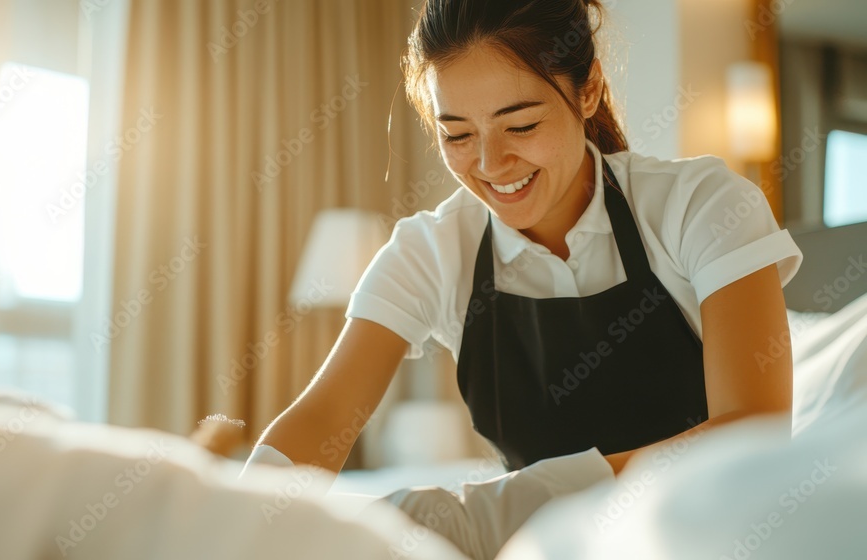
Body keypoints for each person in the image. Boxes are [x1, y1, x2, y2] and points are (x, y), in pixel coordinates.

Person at [244, 0, 802, 556]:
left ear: (587, 91)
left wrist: (508, 505)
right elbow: (322, 417)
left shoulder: (699, 206)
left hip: (712, 535)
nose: (491, 163)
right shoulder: (432, 250)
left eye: (521, 124)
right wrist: (238, 520)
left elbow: (754, 428)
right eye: (457, 135)